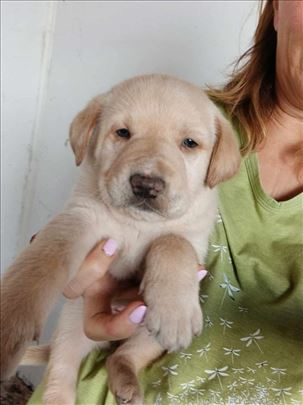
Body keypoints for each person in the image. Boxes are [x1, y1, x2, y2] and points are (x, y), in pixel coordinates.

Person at [29, 0, 303, 403]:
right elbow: (73, 234)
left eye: (189, 144)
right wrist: (67, 269)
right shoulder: (180, 111)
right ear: (277, 8)